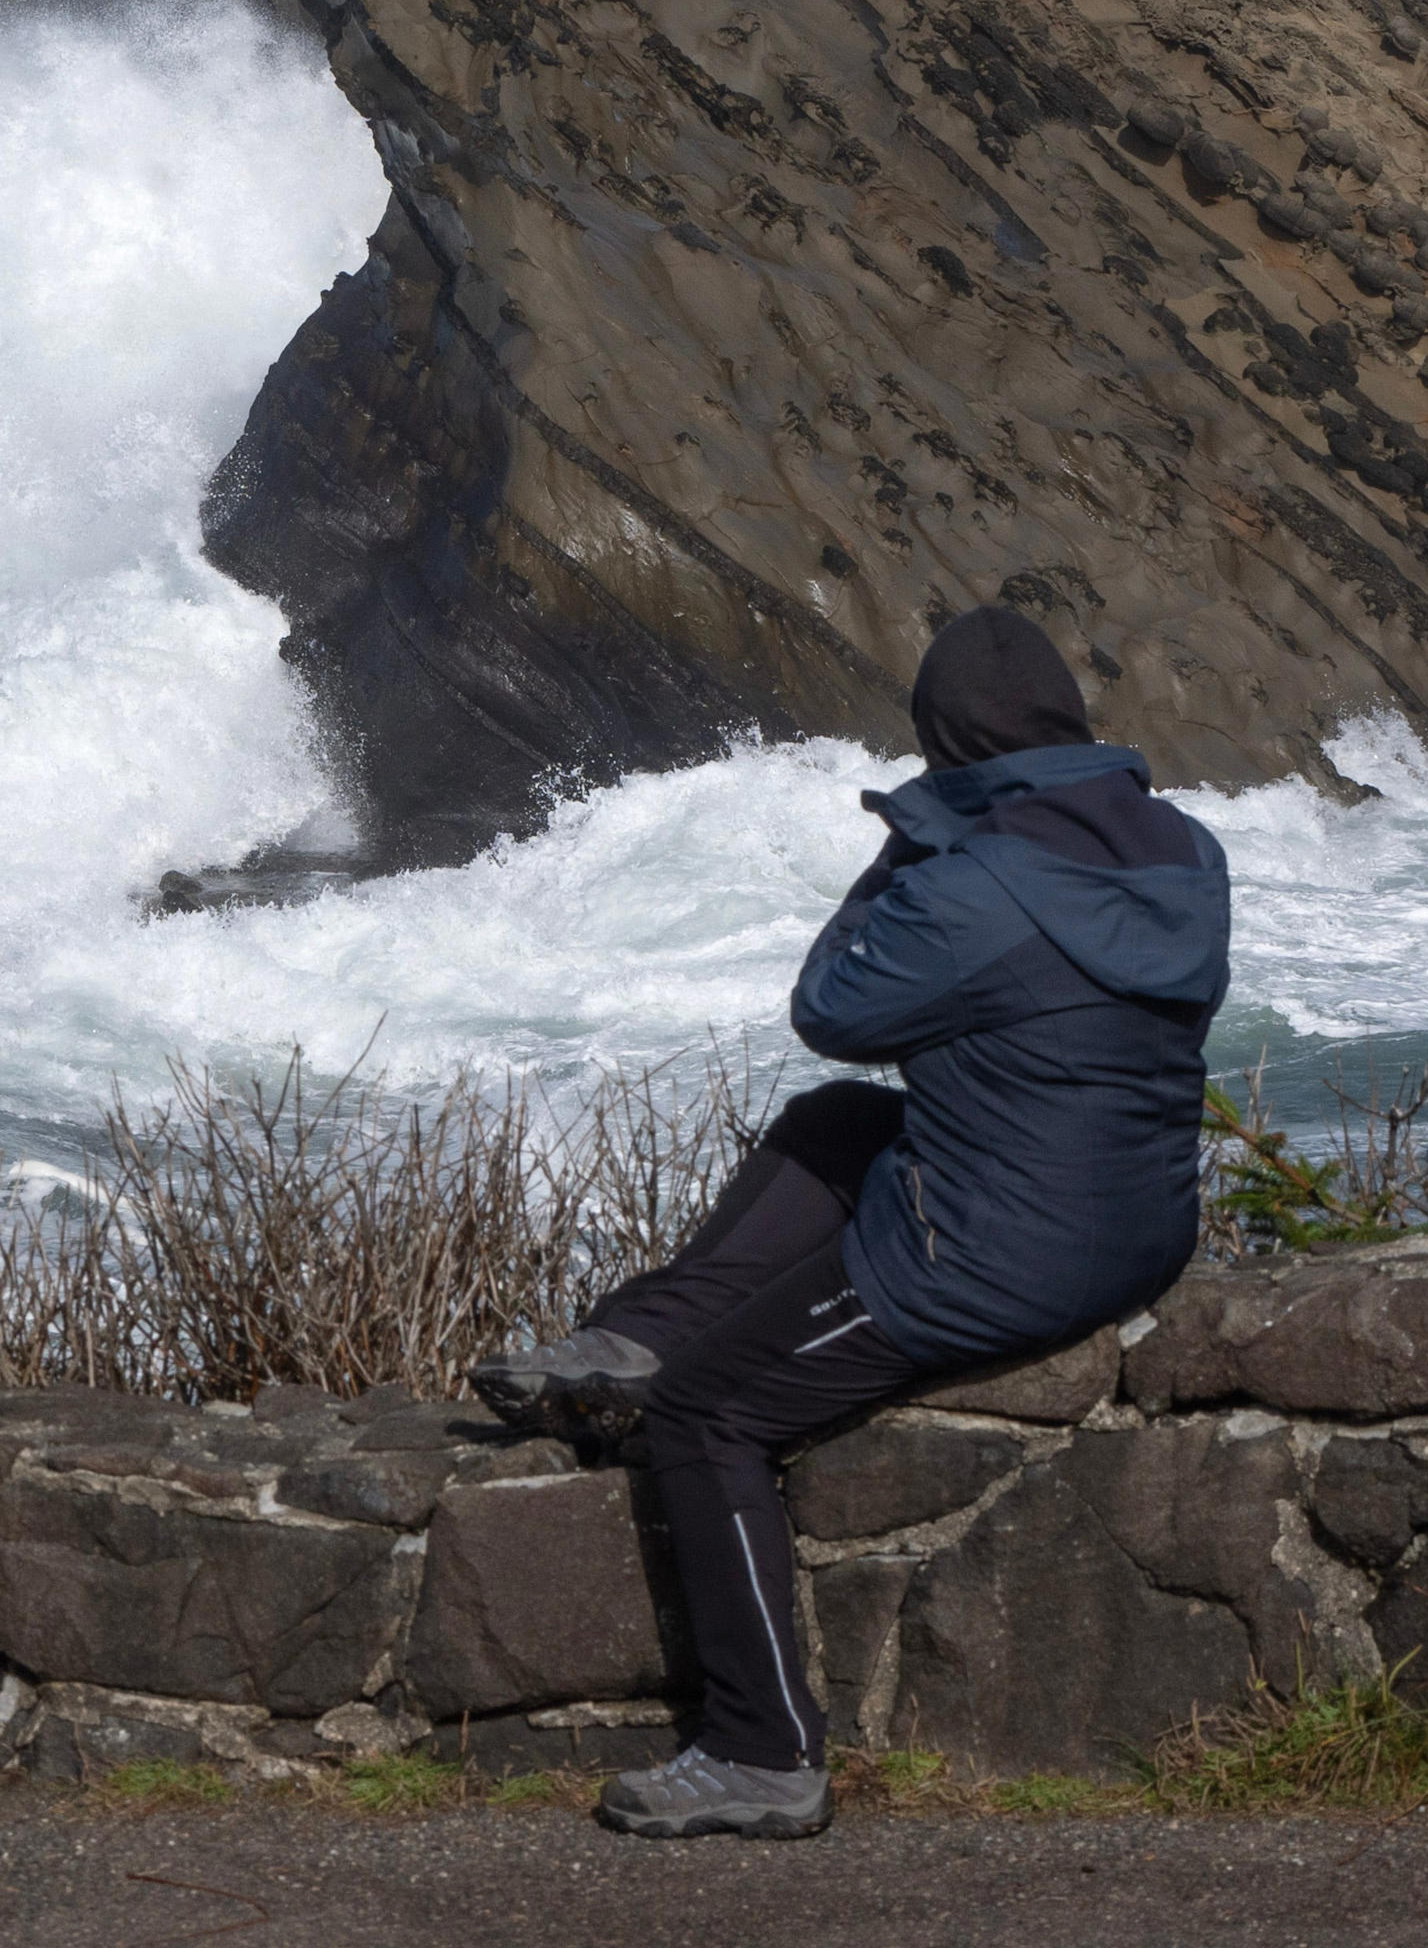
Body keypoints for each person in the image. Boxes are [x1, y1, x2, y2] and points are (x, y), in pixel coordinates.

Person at [474, 606, 1231, 1840]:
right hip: (1139, 1222)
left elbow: (830, 1004)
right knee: (839, 1123)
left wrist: (908, 845)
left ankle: (761, 1750)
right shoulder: (1185, 851)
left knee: (705, 1413)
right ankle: (640, 1330)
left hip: (987, 1256)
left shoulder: (969, 884)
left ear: (948, 742)